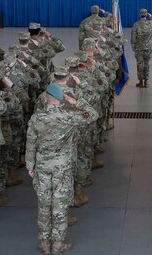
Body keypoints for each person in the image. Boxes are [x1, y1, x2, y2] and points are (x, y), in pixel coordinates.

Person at [26, 83, 99, 255]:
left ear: (46, 98)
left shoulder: (37, 118)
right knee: (60, 205)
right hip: (62, 167)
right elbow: (93, 114)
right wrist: (75, 102)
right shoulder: (68, 116)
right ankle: (58, 245)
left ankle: (45, 244)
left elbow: (30, 143)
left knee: (44, 205)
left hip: (42, 166)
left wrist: (30, 165)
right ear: (61, 99)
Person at [130, 9, 152, 88]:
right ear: (146, 14)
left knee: (140, 64)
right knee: (147, 64)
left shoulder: (136, 24)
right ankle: (146, 82)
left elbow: (133, 37)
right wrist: (151, 16)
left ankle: (141, 81)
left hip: (139, 48)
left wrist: (133, 47)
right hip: (148, 47)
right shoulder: (150, 23)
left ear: (140, 14)